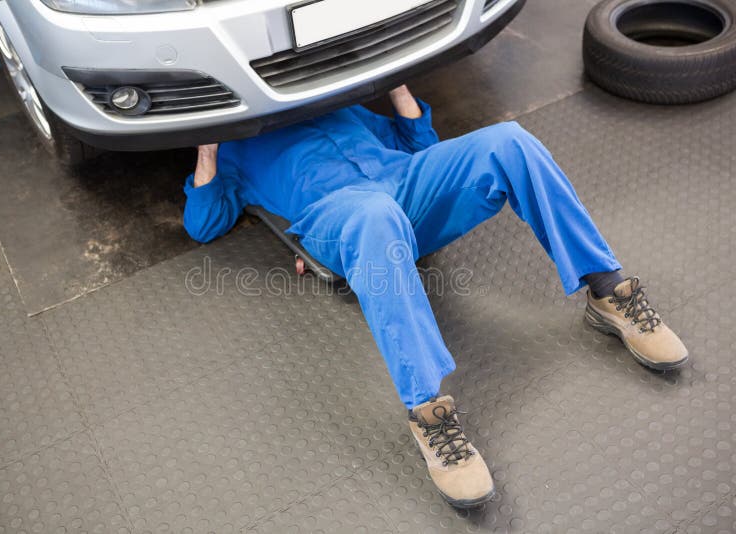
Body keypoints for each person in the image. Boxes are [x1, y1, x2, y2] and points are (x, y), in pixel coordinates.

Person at [182, 85, 688, 508]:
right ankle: (429, 414)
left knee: (509, 141)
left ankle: (605, 290)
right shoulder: (237, 145)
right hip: (343, 217)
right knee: (376, 214)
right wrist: (209, 142)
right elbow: (204, 223)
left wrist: (395, 78)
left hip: (406, 190)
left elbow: (419, 141)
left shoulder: (337, 101)